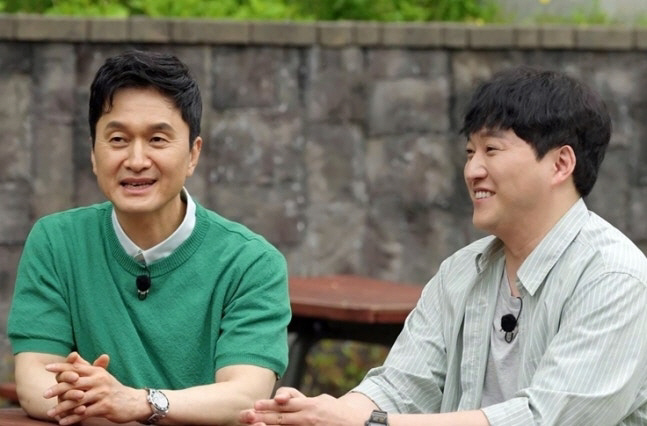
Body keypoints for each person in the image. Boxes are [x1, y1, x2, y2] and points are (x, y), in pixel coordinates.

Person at [240, 66, 647, 426]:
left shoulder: (615, 278)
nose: (472, 170)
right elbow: (400, 386)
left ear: (560, 164)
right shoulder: (462, 270)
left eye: (491, 150)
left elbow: (543, 418)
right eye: (470, 152)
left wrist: (371, 423)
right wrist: (322, 415)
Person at [8, 50, 291, 425]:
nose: (137, 160)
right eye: (118, 139)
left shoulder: (251, 263)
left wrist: (139, 402)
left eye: (157, 139)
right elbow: (35, 378)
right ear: (93, 153)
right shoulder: (56, 242)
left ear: (193, 154)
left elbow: (244, 396)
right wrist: (95, 399)